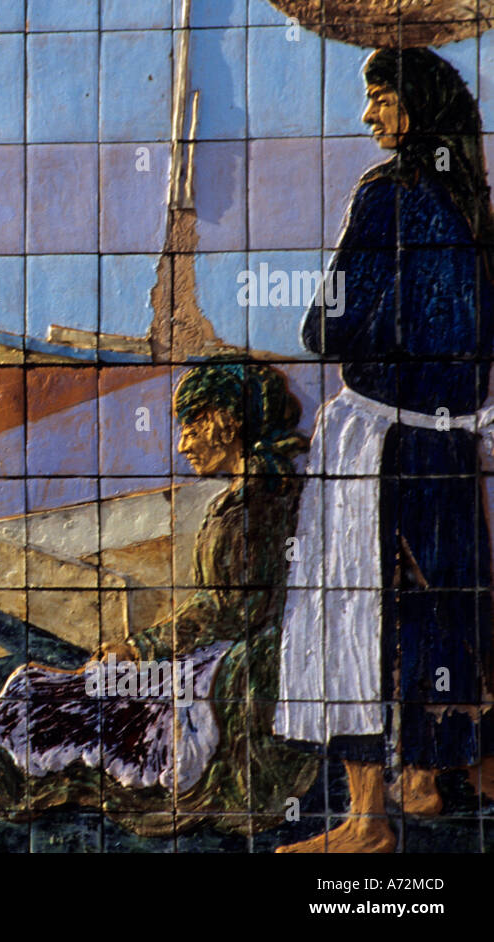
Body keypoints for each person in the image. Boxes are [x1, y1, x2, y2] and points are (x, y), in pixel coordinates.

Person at [0, 362, 318, 851]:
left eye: (191, 426)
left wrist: (137, 648)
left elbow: (225, 613)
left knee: (38, 698)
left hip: (215, 683)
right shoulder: (256, 497)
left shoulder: (253, 507)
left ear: (225, 421)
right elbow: (223, 608)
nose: (184, 444)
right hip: (212, 665)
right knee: (37, 690)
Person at [274, 47, 494, 853]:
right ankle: (429, 782)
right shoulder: (474, 203)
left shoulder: (385, 195)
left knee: (352, 617)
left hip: (378, 438)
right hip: (450, 443)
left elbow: (321, 326)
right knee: (442, 609)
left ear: (409, 104)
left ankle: (366, 822)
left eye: (378, 98)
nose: (368, 116)